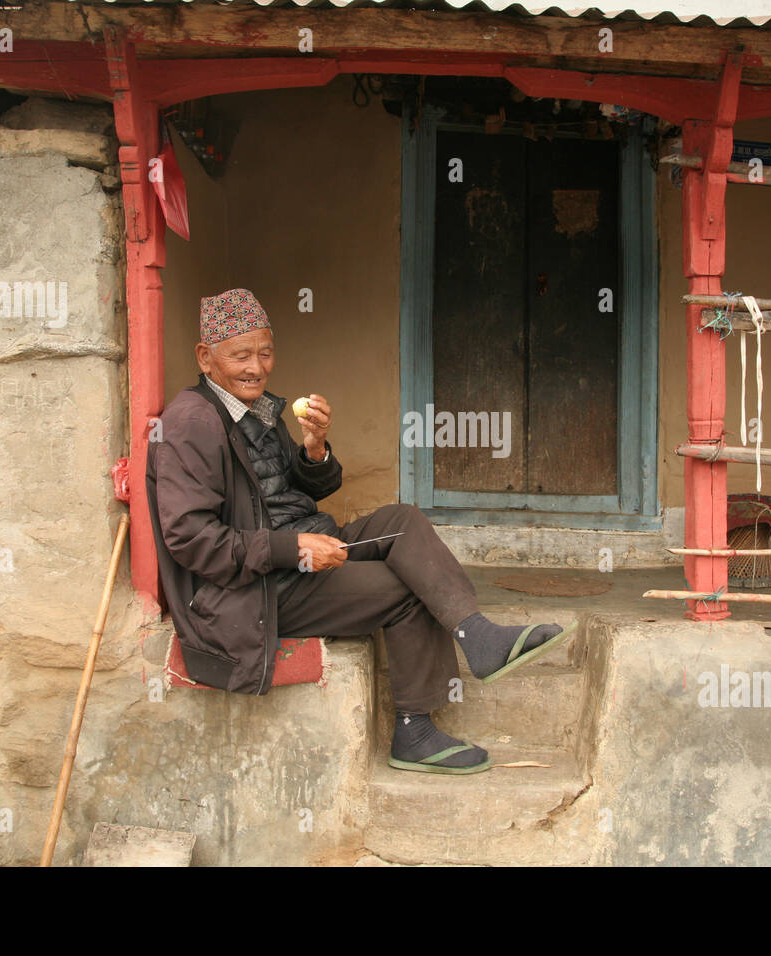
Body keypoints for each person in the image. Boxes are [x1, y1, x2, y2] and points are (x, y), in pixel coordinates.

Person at [145, 288, 576, 774]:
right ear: (206, 357)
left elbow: (299, 488)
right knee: (405, 589)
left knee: (404, 519)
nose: (257, 367)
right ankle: (415, 731)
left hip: (297, 555)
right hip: (252, 591)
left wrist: (314, 447)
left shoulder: (255, 409)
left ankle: (478, 637)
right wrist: (292, 547)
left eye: (265, 353)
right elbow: (190, 539)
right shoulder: (192, 423)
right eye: (241, 355)